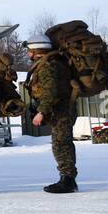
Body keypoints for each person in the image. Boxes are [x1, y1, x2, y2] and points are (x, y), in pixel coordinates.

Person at [25, 33, 77, 193]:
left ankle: (68, 180)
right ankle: (67, 178)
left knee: (61, 144)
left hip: (61, 111)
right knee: (61, 143)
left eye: (29, 50)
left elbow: (50, 91)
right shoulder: (51, 62)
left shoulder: (48, 65)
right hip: (60, 111)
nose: (28, 54)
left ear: (36, 50)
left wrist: (41, 112)